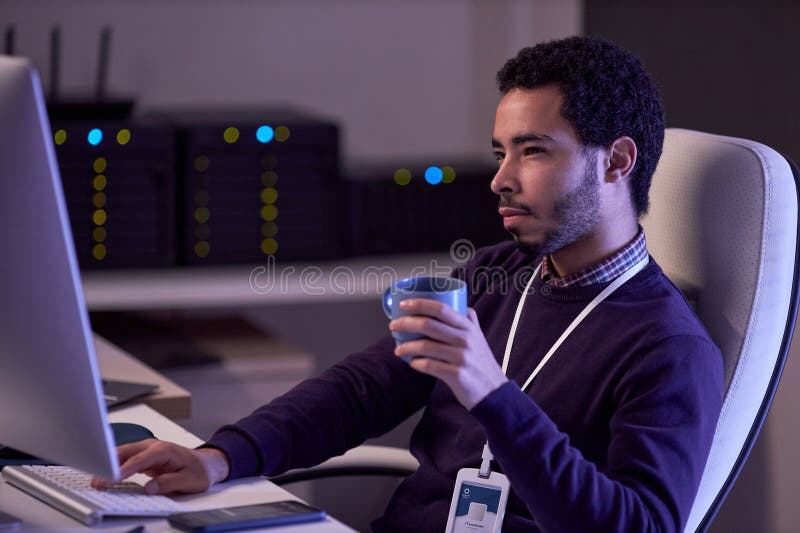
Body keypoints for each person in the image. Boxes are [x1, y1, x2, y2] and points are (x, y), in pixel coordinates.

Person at [95, 36, 723, 532]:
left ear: (616, 160)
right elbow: (361, 391)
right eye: (500, 151)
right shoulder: (493, 275)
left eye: (532, 151)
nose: (500, 178)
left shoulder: (669, 348)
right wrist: (220, 458)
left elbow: (636, 525)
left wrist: (491, 393)